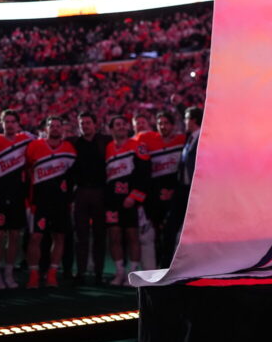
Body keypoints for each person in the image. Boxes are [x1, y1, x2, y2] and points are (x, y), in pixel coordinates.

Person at [25, 117, 76, 289]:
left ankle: (52, 273)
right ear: (45, 128)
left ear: (62, 129)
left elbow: (72, 176)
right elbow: (27, 172)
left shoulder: (69, 148)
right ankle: (34, 274)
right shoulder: (34, 146)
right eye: (51, 126)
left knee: (59, 237)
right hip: (39, 201)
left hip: (60, 203)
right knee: (36, 237)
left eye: (57, 126)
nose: (54, 129)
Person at [0, 109, 34, 290]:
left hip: (18, 195)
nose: (10, 124)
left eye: (13, 121)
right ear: (2, 123)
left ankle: (8, 273)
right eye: (6, 121)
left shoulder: (26, 140)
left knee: (14, 235)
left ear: (18, 123)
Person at [135, 111, 185, 268]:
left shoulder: (182, 140)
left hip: (176, 193)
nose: (163, 126)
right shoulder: (147, 139)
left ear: (173, 125)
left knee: (175, 234)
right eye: (160, 123)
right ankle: (155, 268)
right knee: (152, 234)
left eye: (166, 123)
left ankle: (173, 267)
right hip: (154, 195)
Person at [104, 115, 149, 286]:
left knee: (132, 236)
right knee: (114, 235)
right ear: (111, 129)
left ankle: (133, 272)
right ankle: (119, 272)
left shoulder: (138, 145)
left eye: (123, 124)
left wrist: (134, 196)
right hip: (112, 200)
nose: (121, 127)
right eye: (117, 125)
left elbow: (145, 174)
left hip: (131, 199)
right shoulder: (108, 147)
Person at [68, 111, 110, 284]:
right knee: (81, 235)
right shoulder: (74, 143)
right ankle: (81, 272)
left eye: (87, 122)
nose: (85, 125)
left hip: (100, 192)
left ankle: (99, 273)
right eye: (82, 123)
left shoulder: (105, 141)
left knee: (100, 234)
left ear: (95, 124)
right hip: (82, 192)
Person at [162, 106, 202, 267]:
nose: (184, 122)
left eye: (186, 118)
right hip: (183, 188)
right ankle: (167, 264)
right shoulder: (189, 138)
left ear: (193, 120)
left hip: (195, 191)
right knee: (171, 227)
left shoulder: (202, 138)